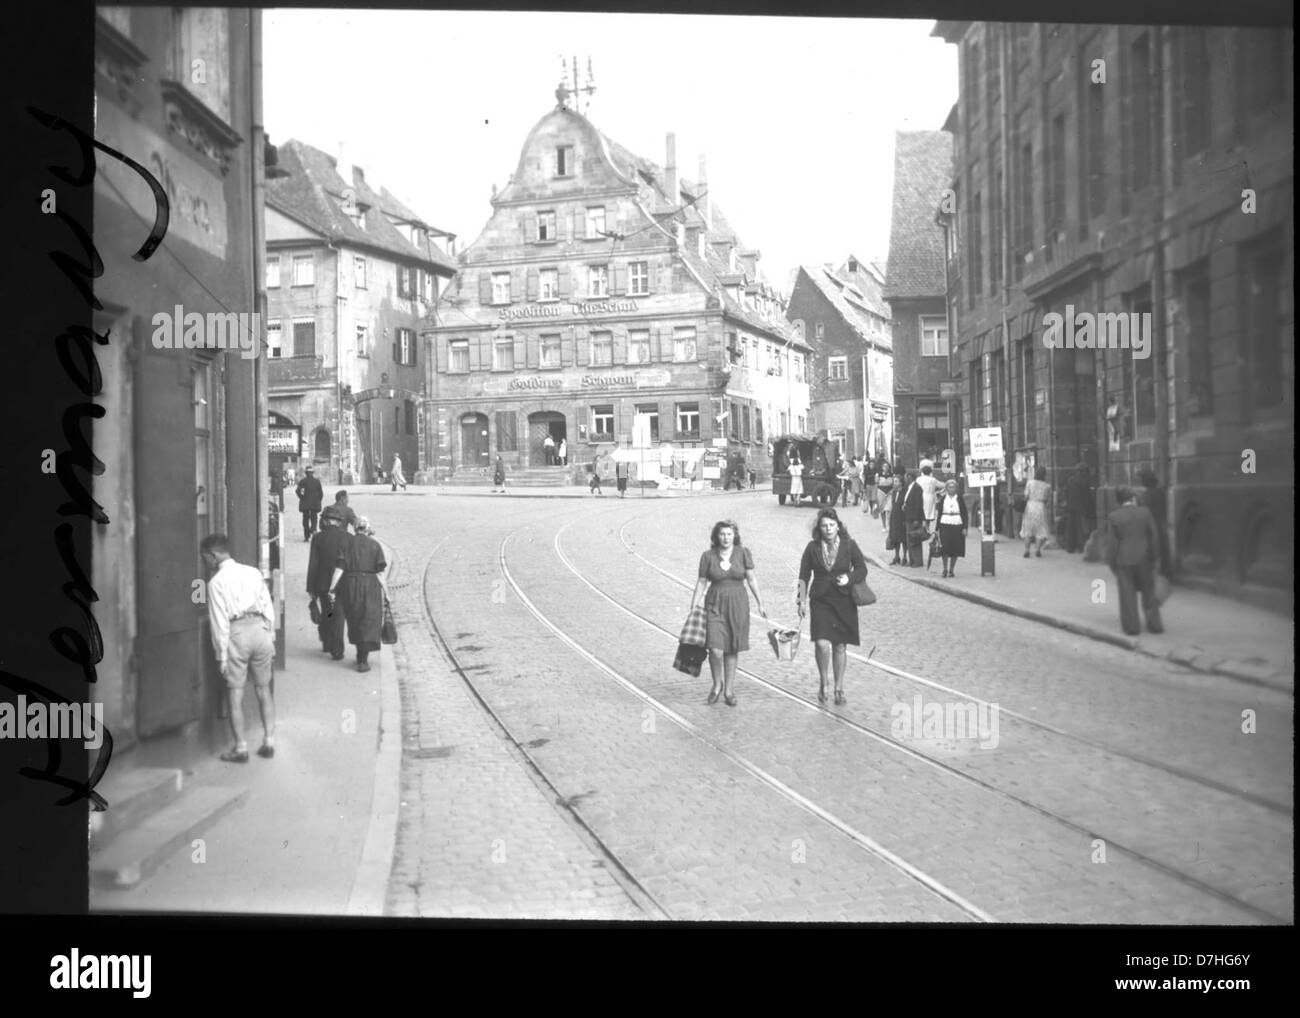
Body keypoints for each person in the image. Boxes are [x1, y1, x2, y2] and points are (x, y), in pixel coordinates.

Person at [201, 534, 276, 762]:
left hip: (237, 634)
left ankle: (241, 748)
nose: (205, 562)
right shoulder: (253, 572)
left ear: (213, 556)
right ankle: (269, 741)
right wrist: (270, 636)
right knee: (264, 689)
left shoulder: (216, 583)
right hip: (260, 629)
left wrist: (222, 657)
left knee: (235, 694)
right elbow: (267, 605)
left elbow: (219, 623)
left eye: (205, 558)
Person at [690, 520, 768, 707]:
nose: (726, 538)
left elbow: (751, 579)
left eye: (729, 534)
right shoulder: (708, 556)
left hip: (737, 604)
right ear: (717, 536)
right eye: (722, 534)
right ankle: (717, 685)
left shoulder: (743, 553)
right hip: (715, 604)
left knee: (732, 648)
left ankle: (729, 690)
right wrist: (693, 605)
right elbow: (702, 581)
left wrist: (760, 603)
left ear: (735, 536)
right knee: (715, 649)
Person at [797, 508, 868, 706]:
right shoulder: (812, 548)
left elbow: (862, 569)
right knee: (821, 643)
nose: (828, 529)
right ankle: (823, 681)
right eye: (824, 526)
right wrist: (801, 600)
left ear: (838, 526)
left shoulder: (849, 545)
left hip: (843, 600)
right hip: (821, 600)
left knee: (840, 645)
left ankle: (839, 688)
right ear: (819, 528)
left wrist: (849, 577)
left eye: (831, 525)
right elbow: (803, 576)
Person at [327, 515, 388, 672]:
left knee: (355, 618)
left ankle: (359, 654)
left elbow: (339, 568)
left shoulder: (347, 544)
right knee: (368, 620)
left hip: (350, 585)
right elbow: (380, 574)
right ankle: (363, 659)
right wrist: (386, 593)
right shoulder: (375, 545)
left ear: (355, 528)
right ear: (367, 528)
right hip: (370, 586)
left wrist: (332, 587)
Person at [1106, 487, 1164, 636]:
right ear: (1132, 499)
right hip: (1144, 558)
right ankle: (1155, 625)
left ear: (1119, 501)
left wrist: (1112, 563)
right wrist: (1155, 557)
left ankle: (1132, 627)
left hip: (1124, 560)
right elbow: (1154, 536)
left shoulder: (1114, 517)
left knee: (1127, 594)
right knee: (1149, 592)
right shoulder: (1145, 512)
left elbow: (1112, 545)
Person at [307, 509, 351, 660]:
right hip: (342, 583)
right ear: (339, 522)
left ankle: (326, 642)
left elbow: (313, 563)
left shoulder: (318, 538)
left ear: (325, 521)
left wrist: (310, 588)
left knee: (327, 612)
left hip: (323, 584)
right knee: (339, 615)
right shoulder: (347, 537)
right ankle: (337, 650)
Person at [1137, 467, 1172, 578]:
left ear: (1146, 481)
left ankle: (1155, 574)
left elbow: (1148, 510)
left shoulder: (1149, 494)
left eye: (1142, 479)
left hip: (1152, 525)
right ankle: (1165, 573)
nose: (1141, 481)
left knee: (1152, 550)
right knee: (1161, 549)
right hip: (1158, 524)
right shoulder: (1158, 492)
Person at [936, 478, 969, 578]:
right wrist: (937, 528)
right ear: (946, 488)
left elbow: (964, 513)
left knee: (955, 548)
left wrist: (965, 527)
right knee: (945, 547)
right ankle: (945, 569)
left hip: (957, 523)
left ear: (956, 488)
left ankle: (951, 570)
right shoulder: (943, 499)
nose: (951, 489)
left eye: (953, 487)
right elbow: (939, 513)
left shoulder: (959, 499)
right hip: (945, 524)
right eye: (949, 487)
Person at [1022, 466, 1052, 558]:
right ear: (1044, 475)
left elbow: (1026, 496)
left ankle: (1027, 550)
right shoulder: (1047, 486)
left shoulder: (1030, 483)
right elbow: (1047, 499)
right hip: (1040, 506)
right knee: (1040, 529)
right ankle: (1037, 549)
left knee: (1027, 529)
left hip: (1030, 506)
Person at [1065, 462, 1095, 554]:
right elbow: (1087, 497)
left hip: (1071, 506)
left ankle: (1070, 547)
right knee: (1081, 528)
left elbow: (1067, 493)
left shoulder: (1070, 480)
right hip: (1081, 508)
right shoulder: (1084, 482)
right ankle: (1081, 547)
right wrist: (1090, 507)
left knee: (1071, 528)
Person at [902, 469, 926, 567]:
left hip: (914, 518)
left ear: (910, 477)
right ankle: (912, 560)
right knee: (909, 540)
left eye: (906, 477)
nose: (905, 479)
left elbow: (918, 504)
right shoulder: (908, 487)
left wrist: (917, 519)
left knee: (915, 539)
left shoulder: (917, 488)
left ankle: (918, 561)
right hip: (908, 516)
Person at [295, 465, 323, 541]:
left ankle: (306, 536)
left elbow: (298, 491)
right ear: (312, 473)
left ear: (306, 473)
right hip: (314, 503)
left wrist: (302, 497)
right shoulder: (317, 481)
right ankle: (313, 529)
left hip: (305, 503)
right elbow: (321, 493)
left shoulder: (303, 481)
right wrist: (318, 500)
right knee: (314, 518)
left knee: (305, 519)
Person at [916, 460, 943, 536]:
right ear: (930, 472)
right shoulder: (932, 480)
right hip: (930, 497)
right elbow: (941, 485)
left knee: (922, 513)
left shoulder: (918, 479)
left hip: (921, 497)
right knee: (928, 514)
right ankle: (927, 529)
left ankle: (923, 529)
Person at [873, 457, 894, 531]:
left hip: (889, 492)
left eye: (887, 466)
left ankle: (889, 524)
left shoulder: (892, 475)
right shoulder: (878, 475)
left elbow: (894, 484)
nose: (886, 468)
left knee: (889, 509)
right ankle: (884, 525)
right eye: (884, 466)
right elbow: (876, 484)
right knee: (882, 510)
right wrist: (875, 495)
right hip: (881, 492)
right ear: (882, 467)